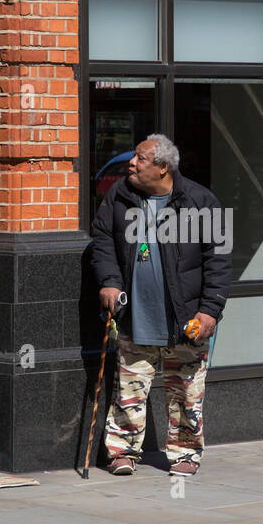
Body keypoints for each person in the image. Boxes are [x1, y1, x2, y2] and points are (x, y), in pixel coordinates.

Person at [90, 134, 231, 477]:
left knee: (186, 390)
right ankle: (121, 452)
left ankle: (185, 453)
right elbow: (103, 240)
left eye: (140, 159)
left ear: (163, 167)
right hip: (136, 315)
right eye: (134, 158)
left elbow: (219, 260)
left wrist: (210, 309)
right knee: (128, 389)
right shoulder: (120, 195)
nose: (131, 164)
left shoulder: (199, 201)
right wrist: (109, 281)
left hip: (185, 319)